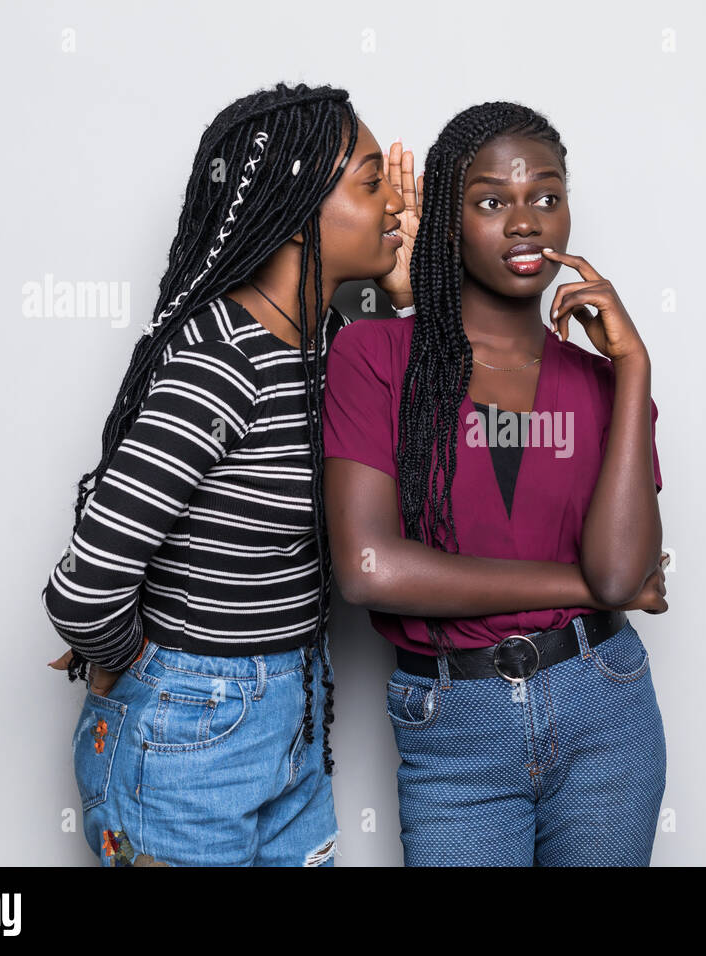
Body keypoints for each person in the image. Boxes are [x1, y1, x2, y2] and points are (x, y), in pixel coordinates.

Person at [40, 81, 419, 866]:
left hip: (296, 719)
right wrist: (145, 672)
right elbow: (86, 588)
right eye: (371, 183)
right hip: (188, 732)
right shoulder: (223, 365)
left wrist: (406, 303)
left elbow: (417, 480)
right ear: (297, 208)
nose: (395, 206)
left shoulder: (333, 346)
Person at [322, 101, 668, 866]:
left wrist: (635, 367)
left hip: (605, 704)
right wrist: (580, 586)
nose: (525, 223)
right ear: (447, 223)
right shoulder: (373, 355)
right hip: (457, 724)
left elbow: (622, 573)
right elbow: (370, 569)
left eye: (547, 197)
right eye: (491, 202)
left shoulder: (605, 383)